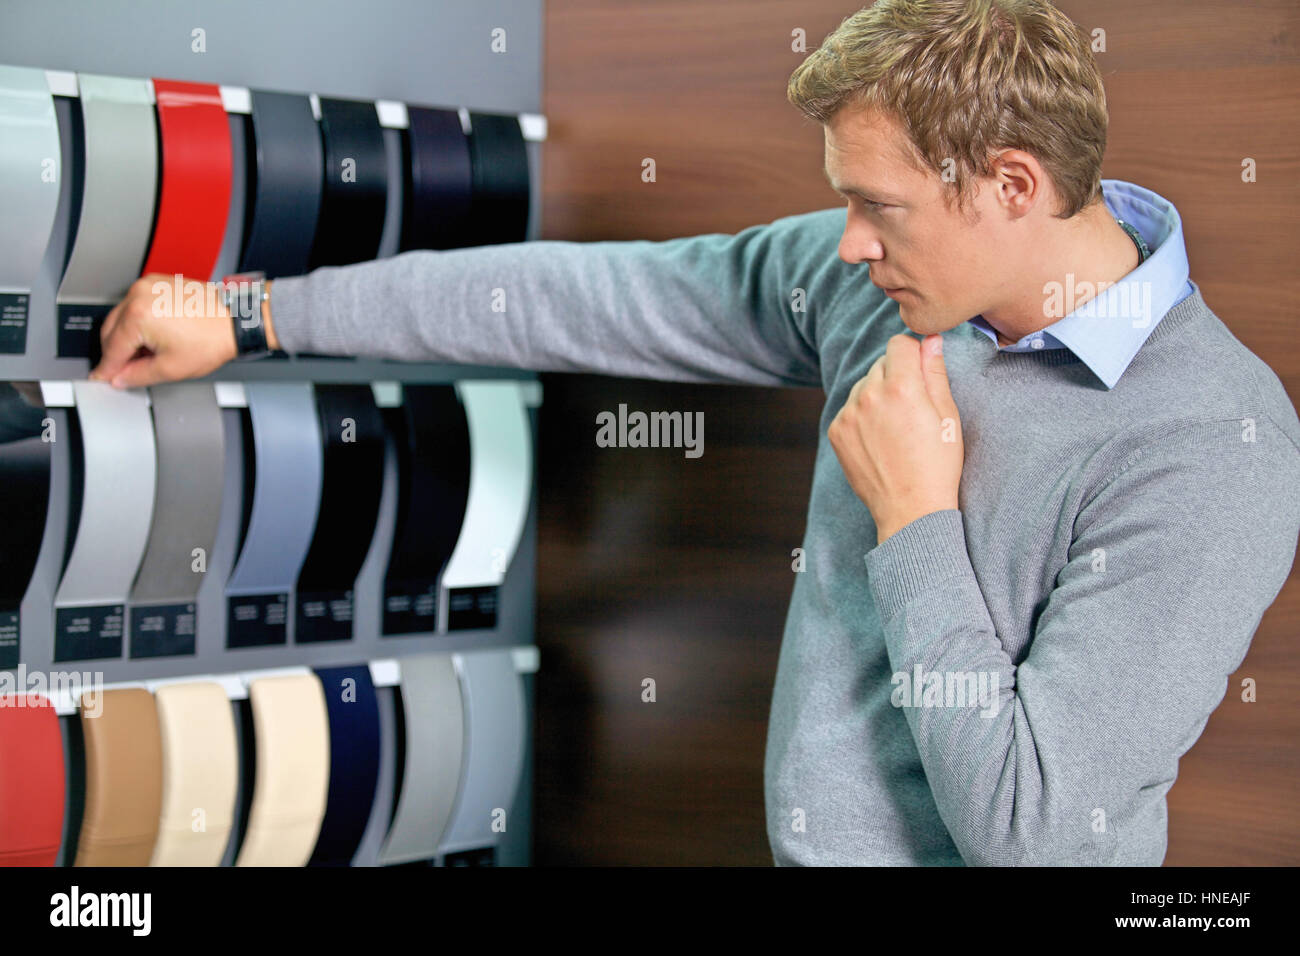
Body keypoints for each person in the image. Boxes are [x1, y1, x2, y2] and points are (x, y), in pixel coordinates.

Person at [89, 0, 1300, 865]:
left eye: (875, 206)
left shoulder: (1208, 445)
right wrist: (256, 315)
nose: (847, 245)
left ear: (1012, 184)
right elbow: (582, 296)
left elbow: (1032, 830)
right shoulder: (877, 286)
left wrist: (918, 520)